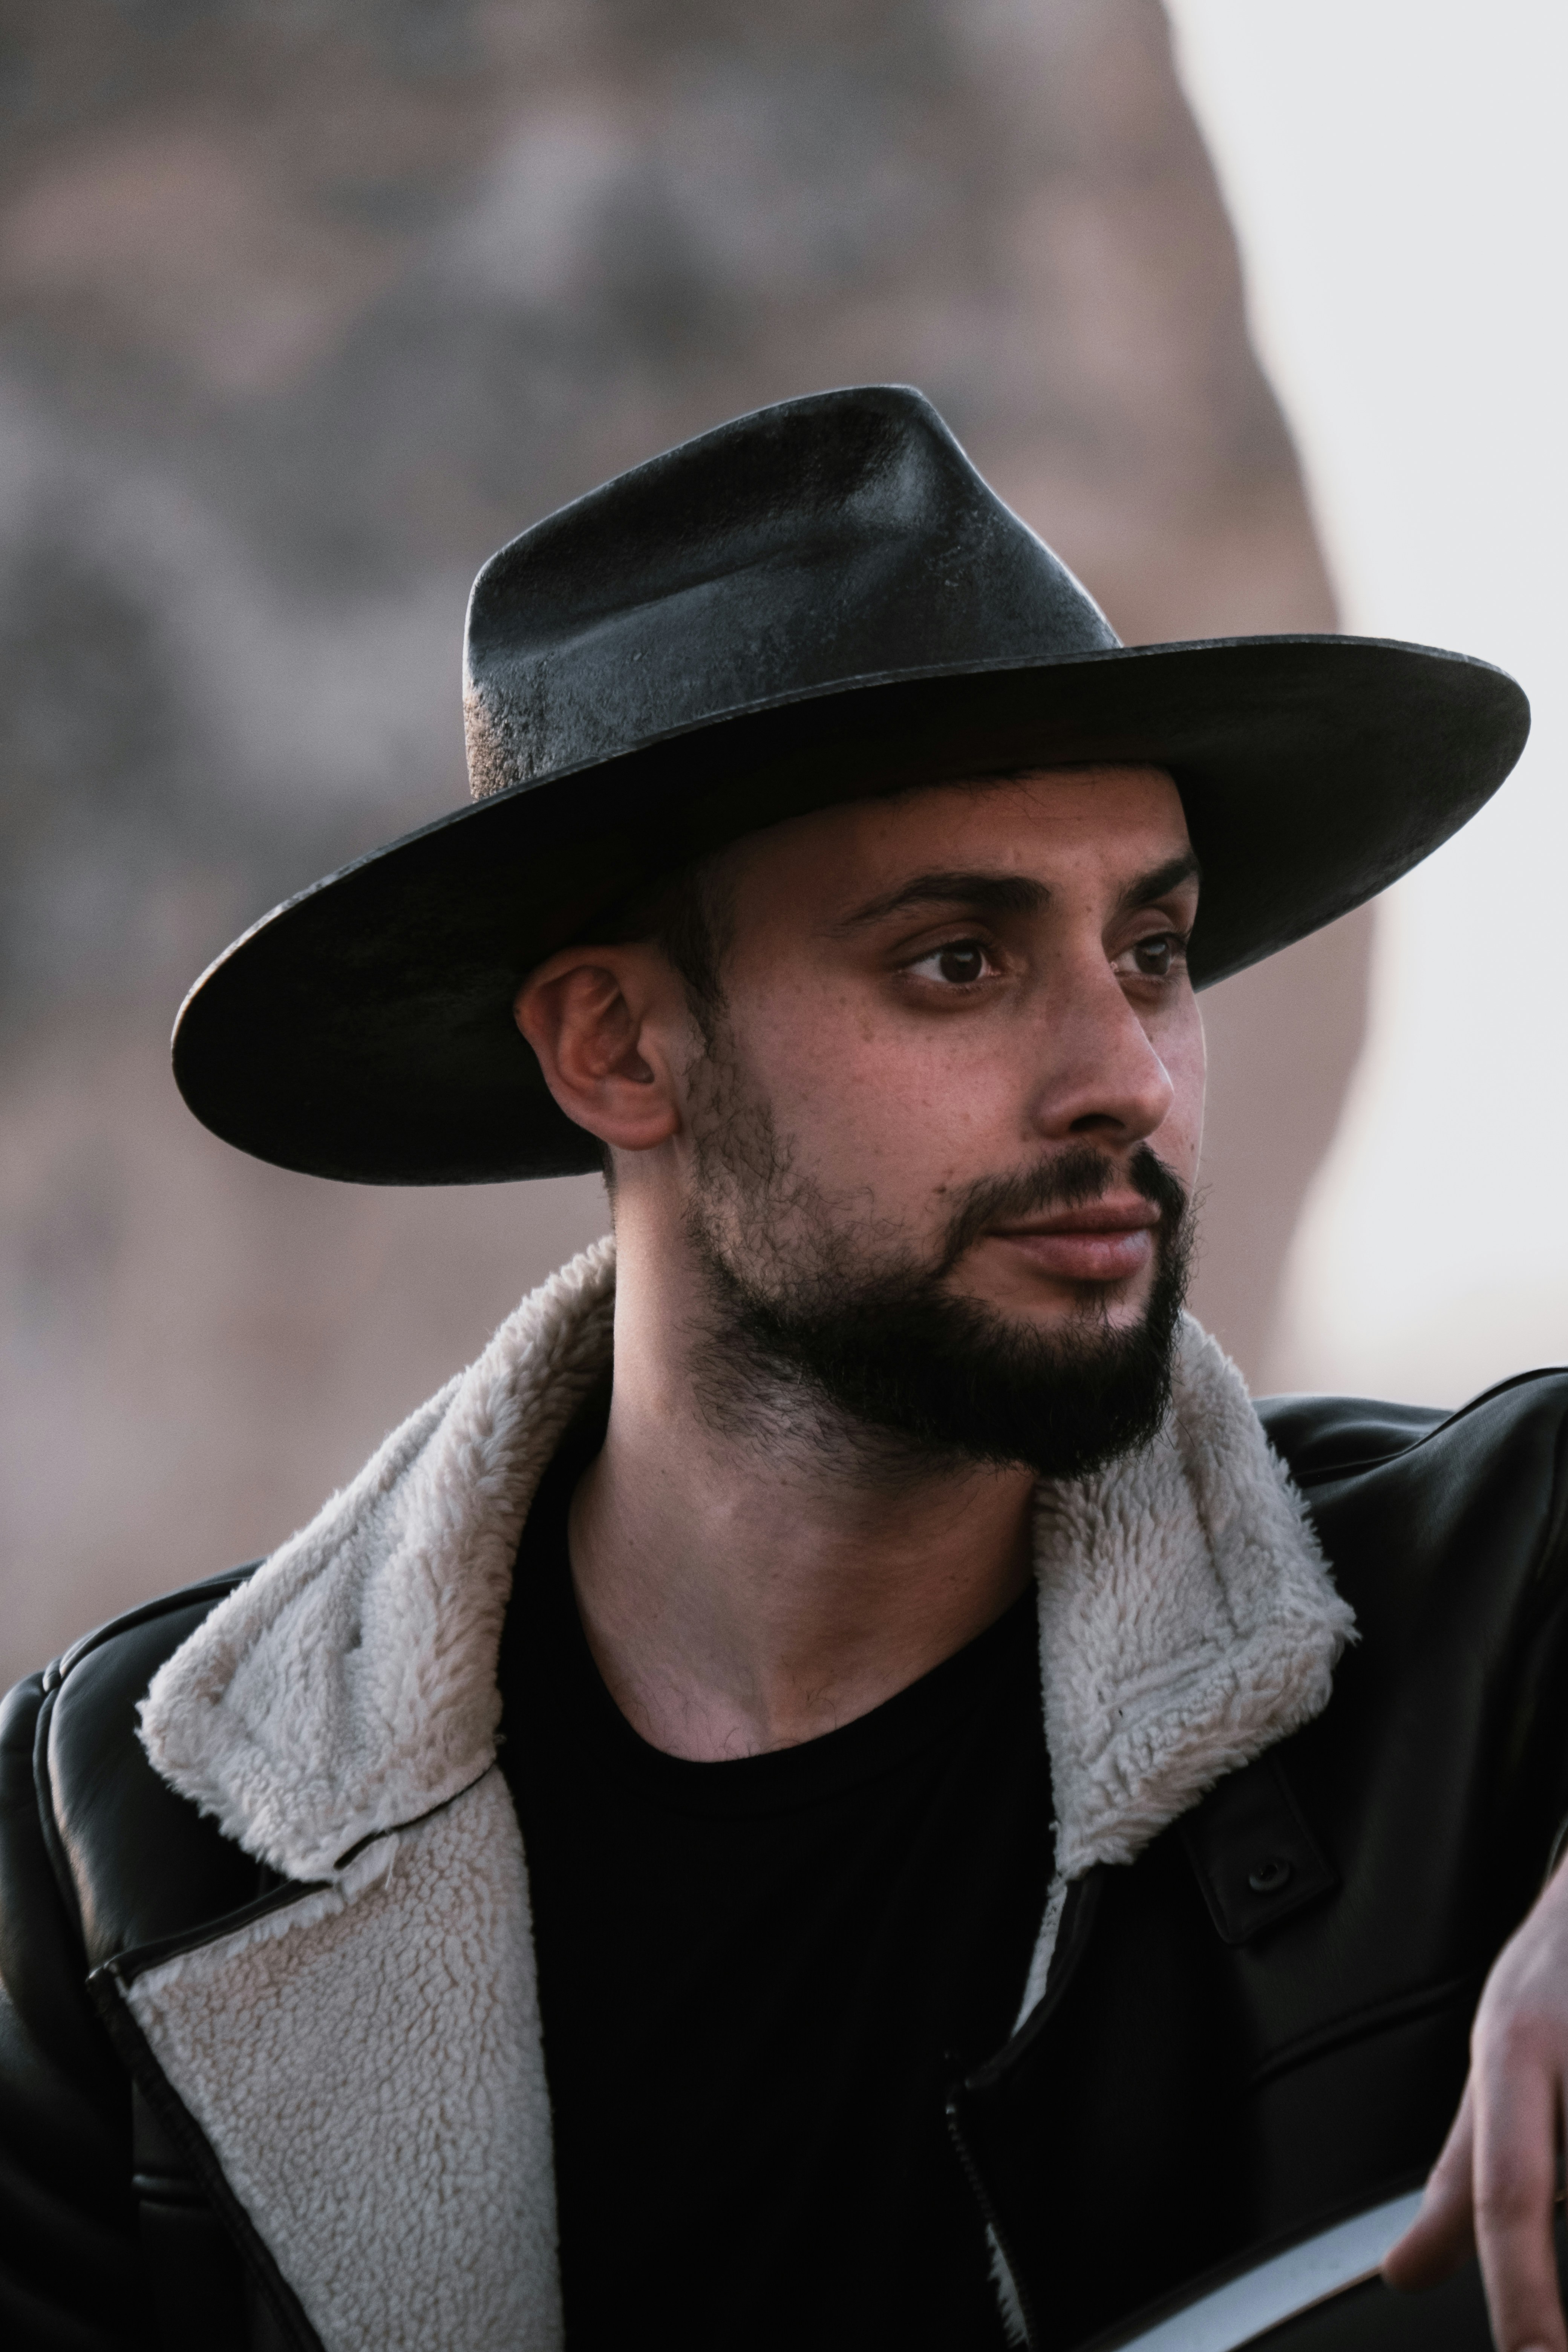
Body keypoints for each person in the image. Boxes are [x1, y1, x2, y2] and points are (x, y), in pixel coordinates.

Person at [0, 385, 1562, 2352]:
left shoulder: (1483, 1595)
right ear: (616, 1050)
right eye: (959, 964)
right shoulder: (124, 1852)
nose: (1125, 1077)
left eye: (1152, 950)